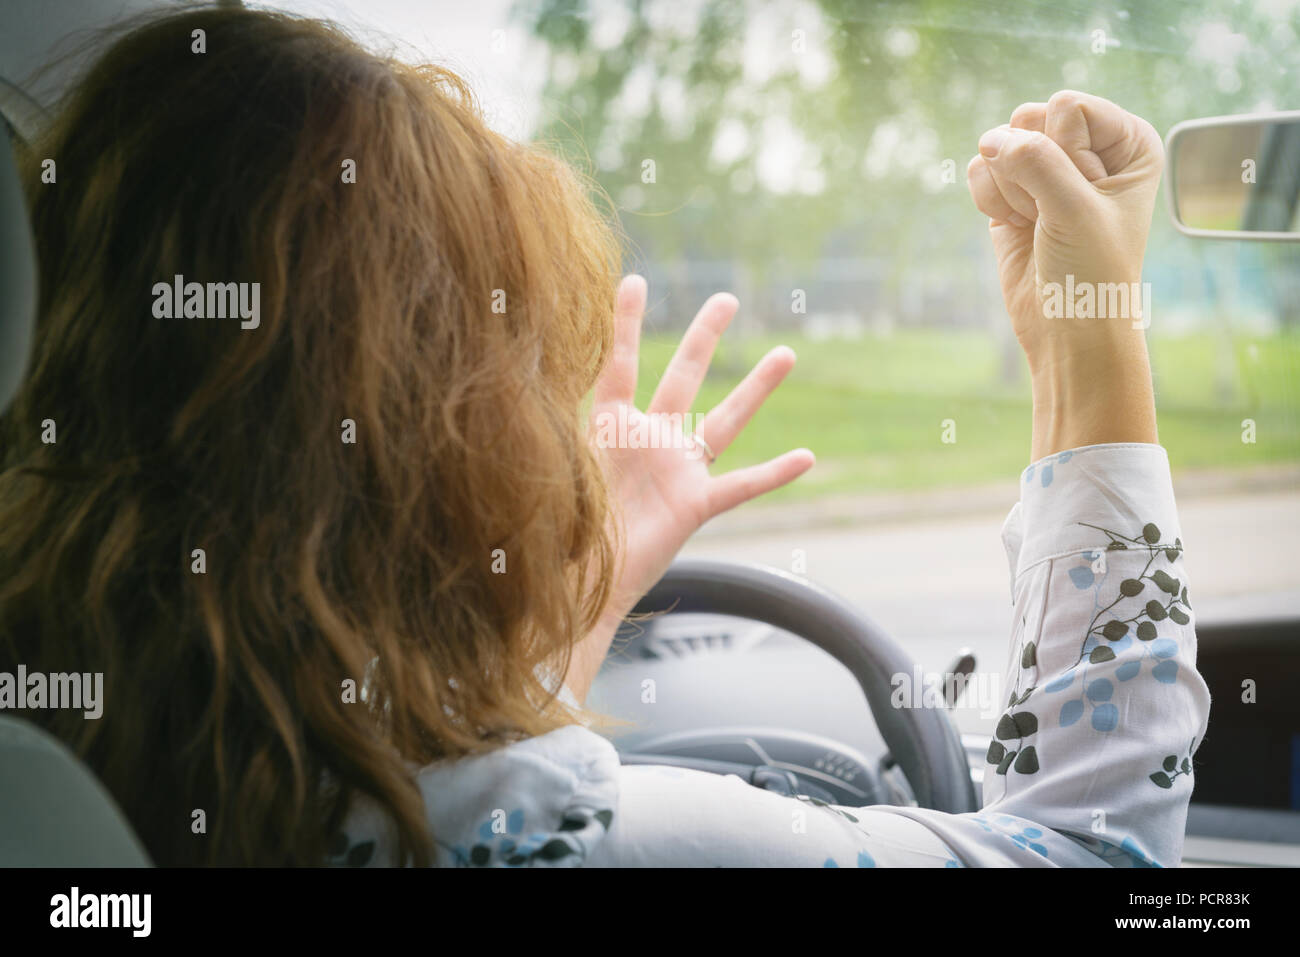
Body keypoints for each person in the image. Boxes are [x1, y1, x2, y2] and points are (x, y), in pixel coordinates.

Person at [0, 7, 1209, 867]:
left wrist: (581, 585)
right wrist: (1087, 333)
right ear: (429, 454)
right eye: (525, 377)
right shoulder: (539, 837)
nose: (552, 437)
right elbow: (1093, 853)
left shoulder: (62, 763)